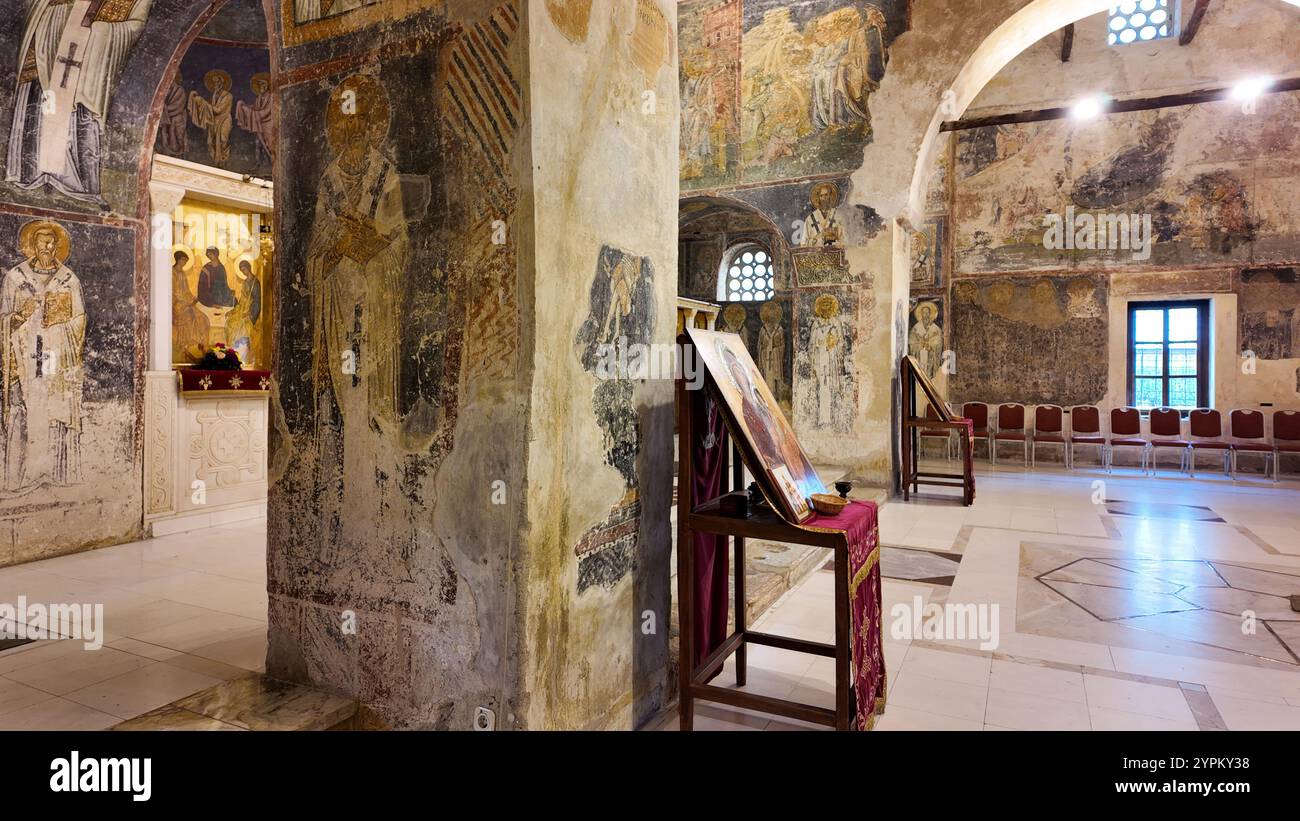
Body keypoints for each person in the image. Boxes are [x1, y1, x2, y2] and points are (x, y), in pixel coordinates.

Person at [6, 0, 155, 203]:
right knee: (39, 102)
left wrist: (99, 31)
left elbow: (135, 25)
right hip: (50, 42)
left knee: (80, 117)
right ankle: (30, 173)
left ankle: (75, 183)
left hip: (89, 66)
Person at [0, 221, 85, 490]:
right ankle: (22, 477)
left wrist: (60, 324)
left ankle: (53, 474)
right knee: (25, 408)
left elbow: (79, 319)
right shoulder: (15, 277)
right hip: (24, 356)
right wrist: (20, 315)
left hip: (55, 355)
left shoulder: (68, 279)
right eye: (41, 242)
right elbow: (3, 320)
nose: (47, 247)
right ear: (32, 245)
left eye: (51, 242)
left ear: (58, 245)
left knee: (54, 409)